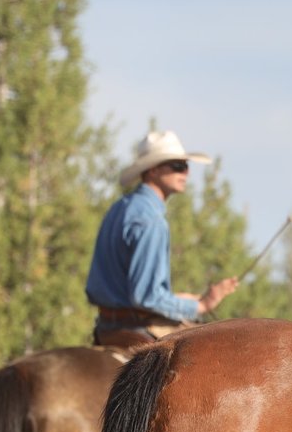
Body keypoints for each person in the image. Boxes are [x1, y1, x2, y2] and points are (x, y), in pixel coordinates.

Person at [86, 129, 238, 348]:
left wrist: (184, 298)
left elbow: (124, 289)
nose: (185, 172)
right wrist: (202, 305)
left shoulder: (119, 207)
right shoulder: (152, 221)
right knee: (222, 350)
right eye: (177, 166)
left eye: (186, 166)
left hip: (106, 326)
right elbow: (146, 298)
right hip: (136, 327)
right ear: (153, 170)